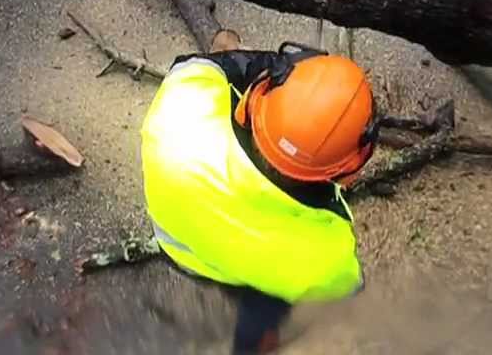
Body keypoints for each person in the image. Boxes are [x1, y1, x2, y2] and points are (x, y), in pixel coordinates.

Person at [140, 42, 379, 354]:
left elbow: (199, 65)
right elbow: (350, 284)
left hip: (178, 245)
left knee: (245, 273)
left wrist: (271, 66)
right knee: (265, 301)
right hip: (250, 269)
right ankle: (251, 346)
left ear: (251, 101)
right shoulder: (327, 258)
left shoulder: (182, 111)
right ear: (348, 172)